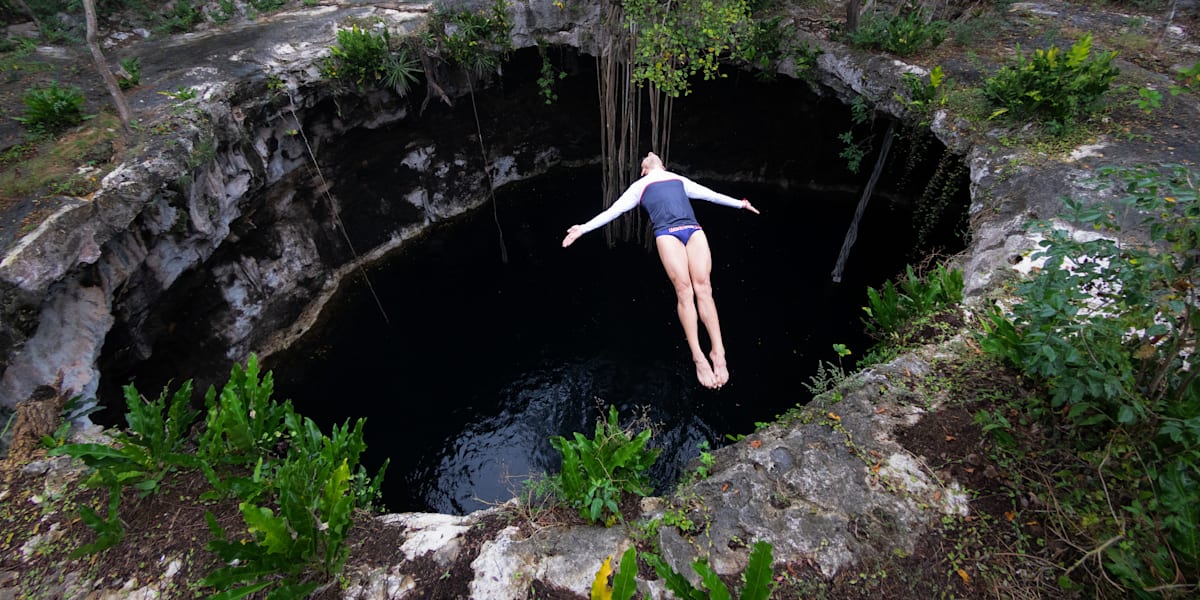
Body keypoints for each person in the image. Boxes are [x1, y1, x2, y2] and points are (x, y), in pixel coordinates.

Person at [562, 152, 760, 389]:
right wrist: (583, 228)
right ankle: (698, 356)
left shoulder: (679, 180)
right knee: (685, 291)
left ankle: (719, 352)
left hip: (693, 230)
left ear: (662, 165)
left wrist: (740, 203)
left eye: (650, 155)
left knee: (704, 288)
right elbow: (613, 211)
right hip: (667, 234)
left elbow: (711, 195)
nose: (648, 154)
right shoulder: (639, 186)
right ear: (645, 170)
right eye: (645, 158)